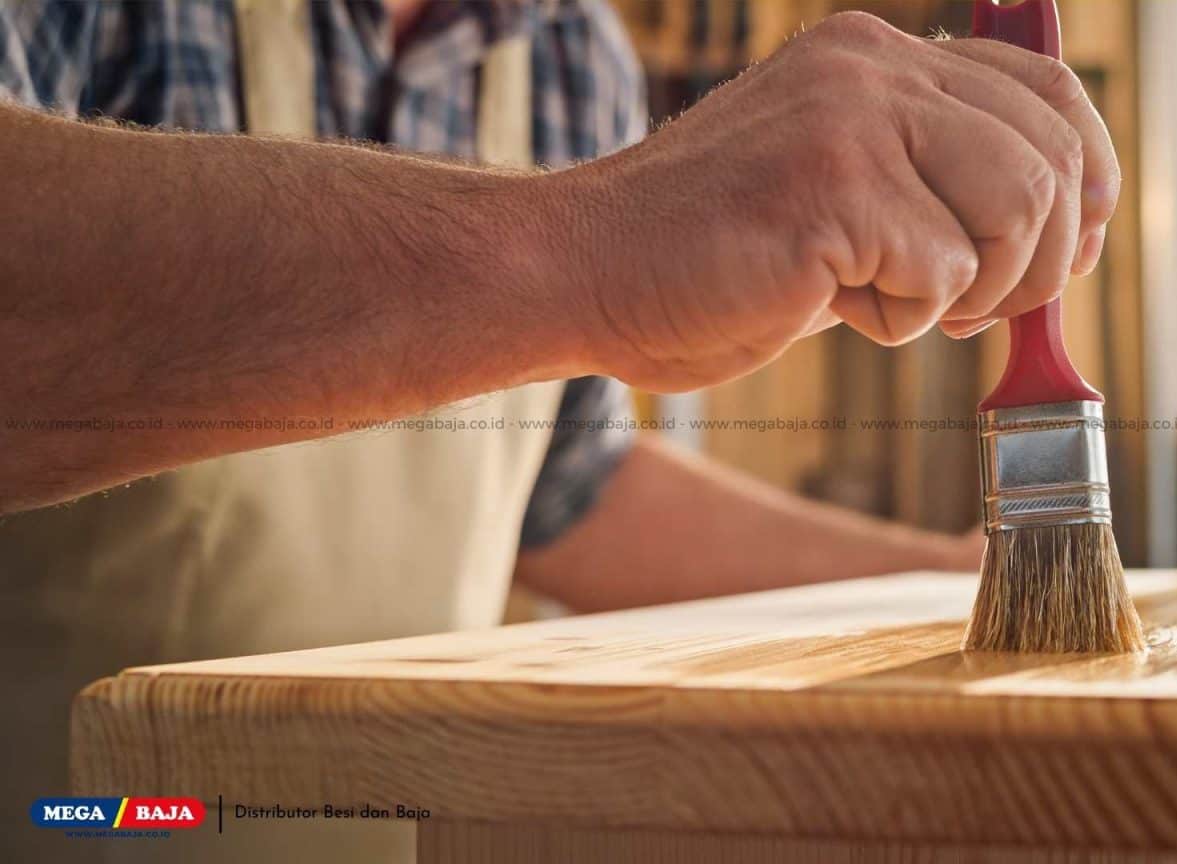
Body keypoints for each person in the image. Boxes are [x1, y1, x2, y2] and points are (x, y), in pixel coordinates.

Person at [0, 1, 1118, 861]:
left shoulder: (575, 52)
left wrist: (942, 581)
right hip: (72, 819)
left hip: (389, 834)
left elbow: (567, 499)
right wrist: (585, 249)